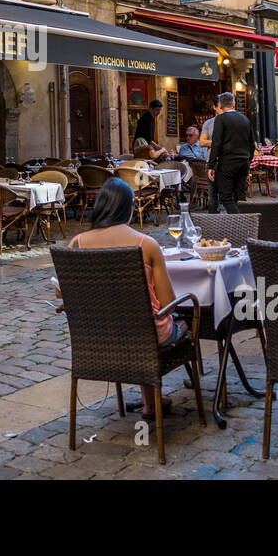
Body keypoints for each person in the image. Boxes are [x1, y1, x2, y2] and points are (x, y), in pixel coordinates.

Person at [65, 178, 182, 420]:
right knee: (163, 321)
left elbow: (64, 292)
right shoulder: (146, 244)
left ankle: (150, 402)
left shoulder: (77, 244)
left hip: (99, 336)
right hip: (146, 336)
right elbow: (168, 300)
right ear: (129, 208)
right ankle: (156, 400)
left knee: (137, 322)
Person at [205, 91, 254, 212]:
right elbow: (252, 144)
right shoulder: (245, 119)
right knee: (240, 197)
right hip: (244, 162)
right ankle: (245, 224)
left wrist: (211, 165)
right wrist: (249, 160)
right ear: (234, 104)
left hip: (227, 163)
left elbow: (216, 144)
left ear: (220, 105)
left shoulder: (221, 119)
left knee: (226, 198)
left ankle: (239, 224)